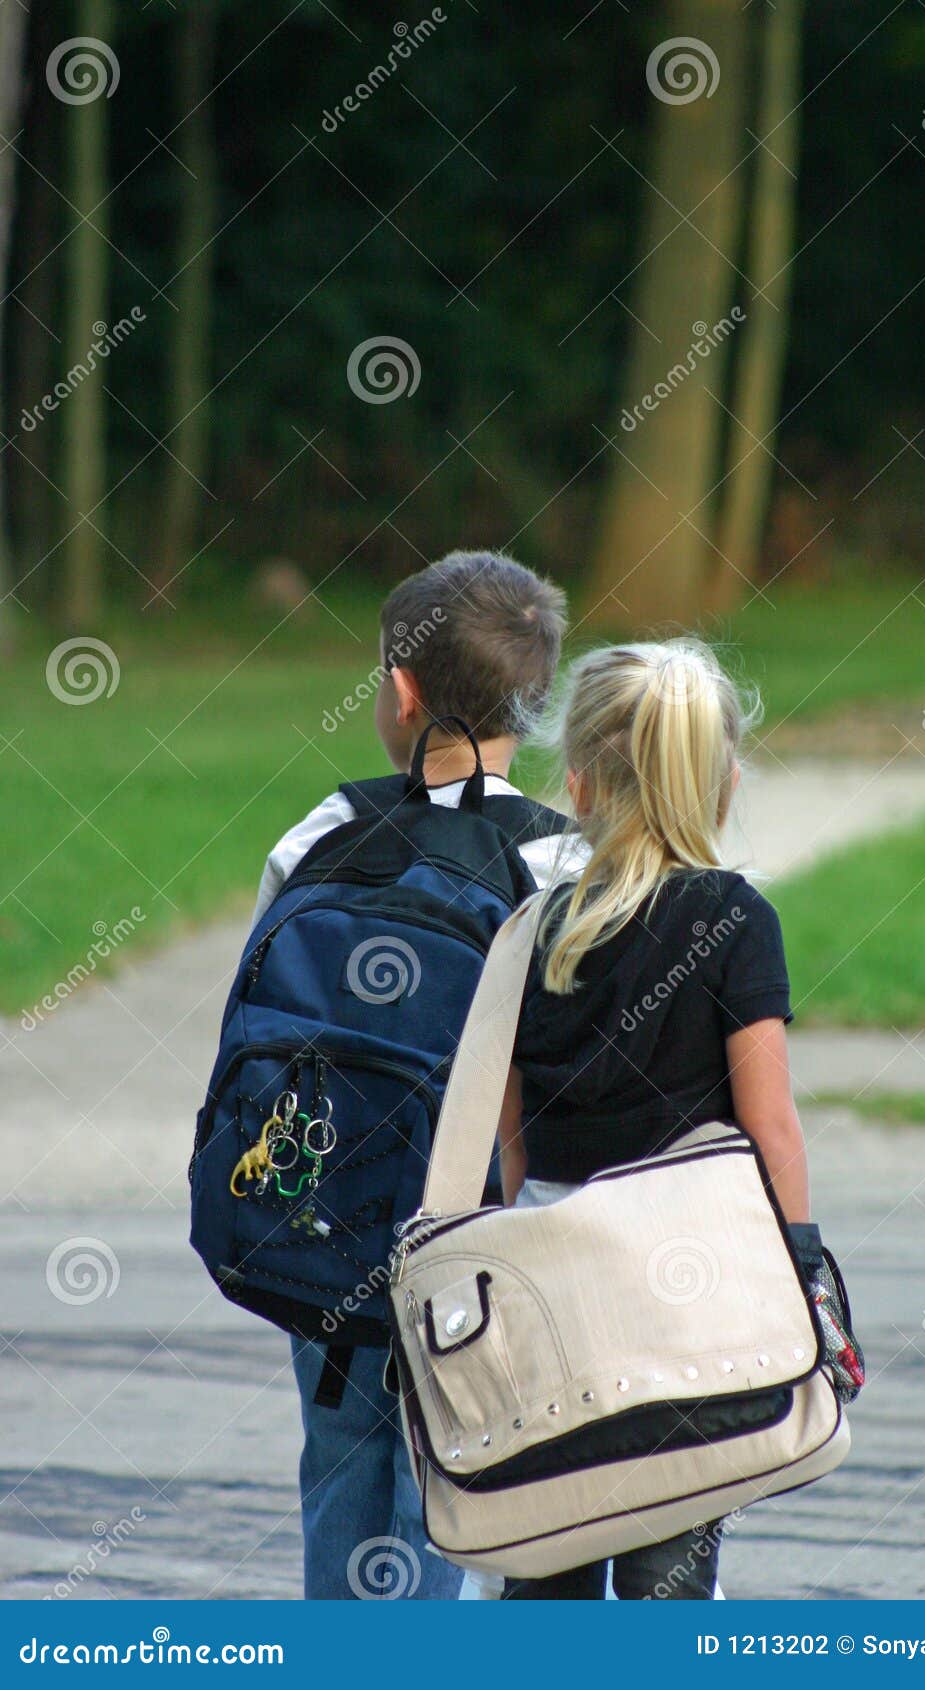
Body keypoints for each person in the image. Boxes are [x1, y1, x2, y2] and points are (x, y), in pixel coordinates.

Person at [254, 550, 577, 1599]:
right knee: (464, 1496)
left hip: (326, 1233)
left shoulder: (322, 838)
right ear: (533, 702)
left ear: (399, 692)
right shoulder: (567, 864)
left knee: (343, 1478)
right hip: (492, 1249)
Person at [496, 641, 814, 1601]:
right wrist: (800, 1262)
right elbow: (771, 1124)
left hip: (554, 1283)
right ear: (719, 785)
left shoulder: (534, 924)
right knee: (670, 1567)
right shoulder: (733, 918)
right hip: (688, 1287)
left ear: (580, 782)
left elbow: (507, 1130)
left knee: (546, 1550)